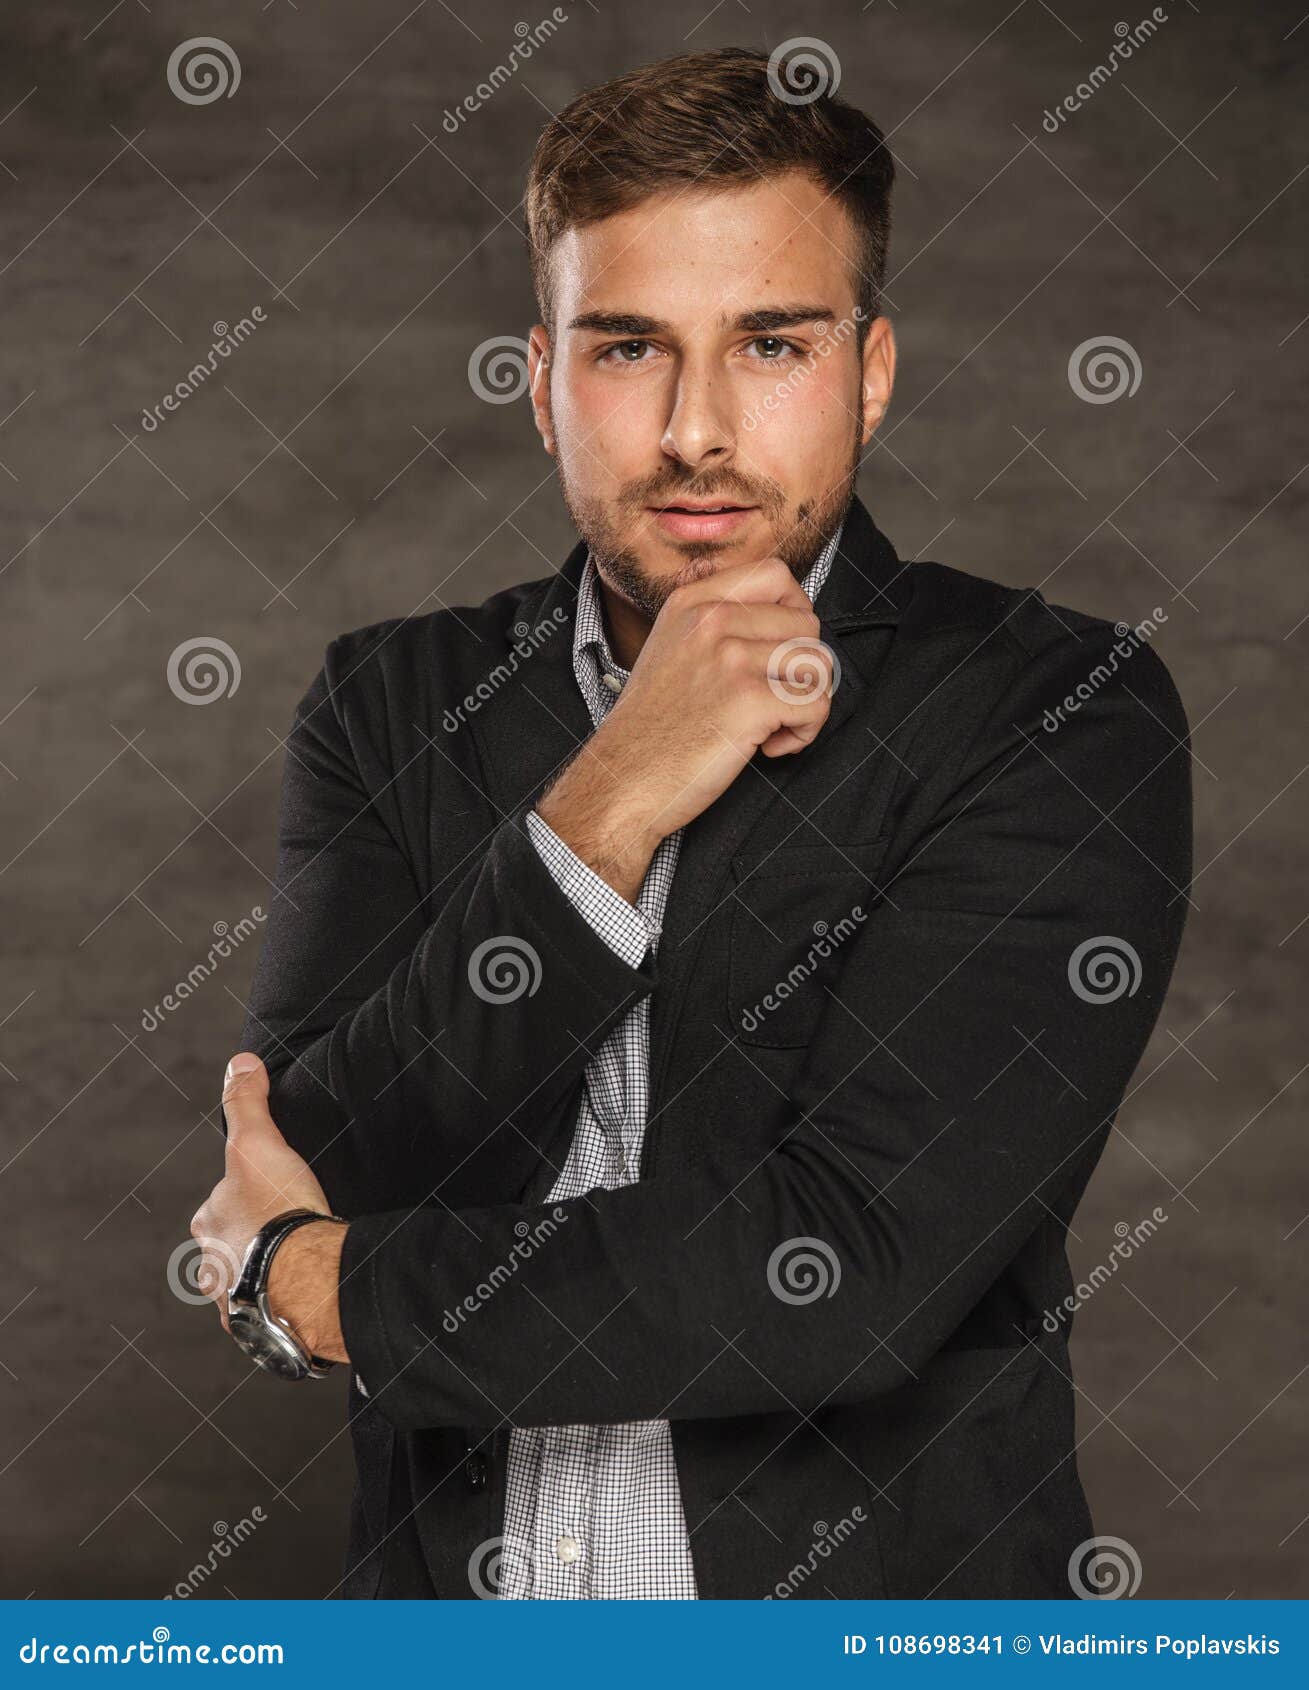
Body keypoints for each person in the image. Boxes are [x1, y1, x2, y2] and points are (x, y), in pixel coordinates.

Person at [189, 46, 1192, 1601]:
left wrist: (333, 1289)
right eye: (627, 347)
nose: (695, 429)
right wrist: (609, 798)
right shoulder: (393, 701)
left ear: (868, 372)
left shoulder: (1052, 706)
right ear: (542, 384)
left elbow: (845, 1266)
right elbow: (322, 1149)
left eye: (771, 343)